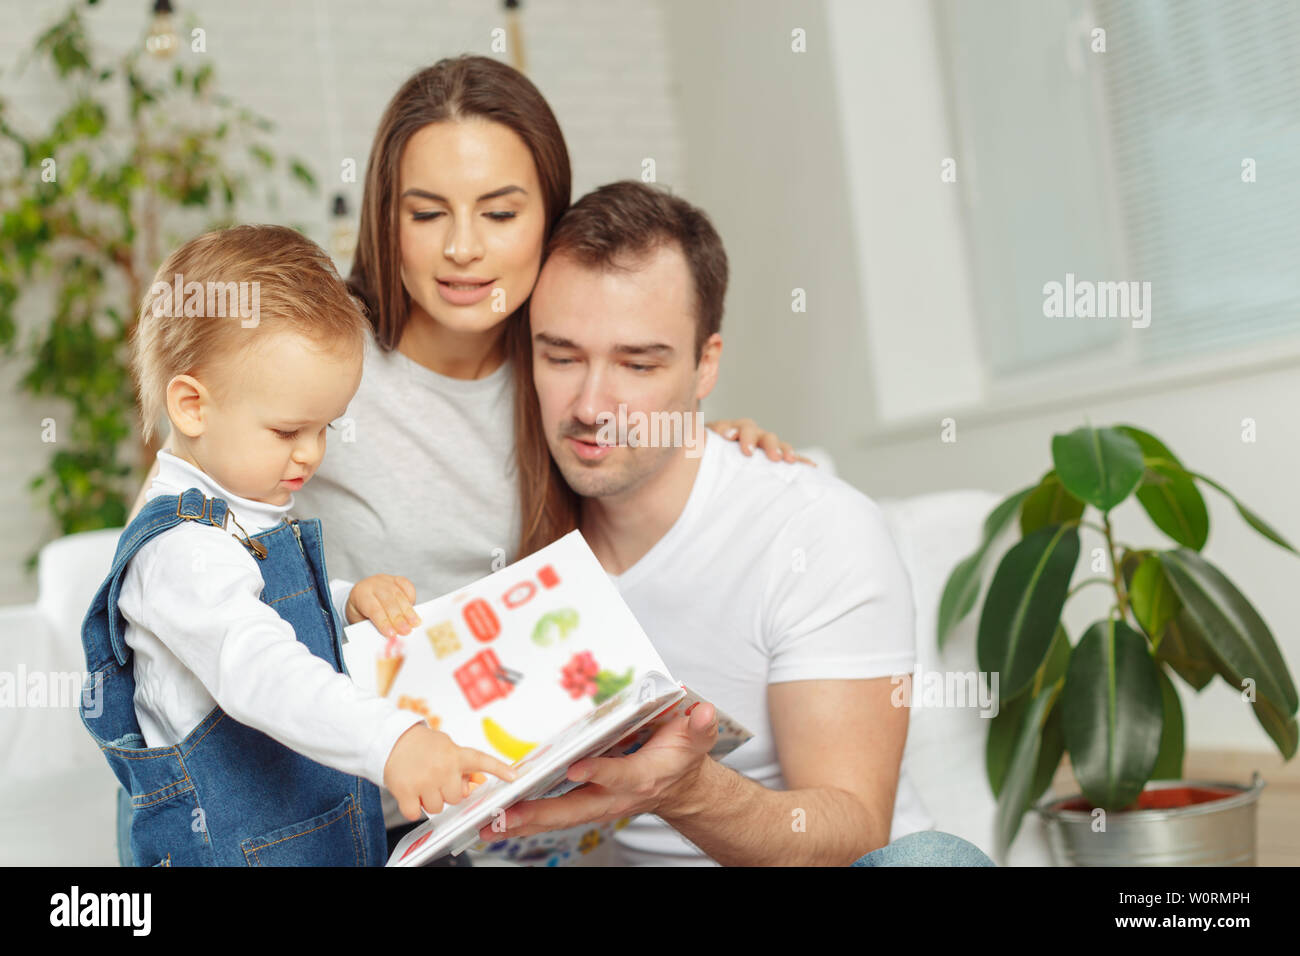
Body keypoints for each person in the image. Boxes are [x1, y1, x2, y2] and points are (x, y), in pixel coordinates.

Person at [126, 55, 801, 858]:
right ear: (387, 217)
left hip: (514, 806)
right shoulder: (314, 359)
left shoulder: (563, 370)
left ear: (551, 219)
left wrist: (702, 440)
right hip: (344, 811)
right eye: (426, 213)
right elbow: (183, 535)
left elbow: (645, 444)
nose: (462, 250)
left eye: (501, 213)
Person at [475, 181, 995, 866]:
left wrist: (686, 790)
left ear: (705, 365)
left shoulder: (813, 529)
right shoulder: (521, 549)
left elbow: (854, 826)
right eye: (562, 357)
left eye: (637, 363)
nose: (591, 403)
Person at [86, 225, 514, 867]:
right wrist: (391, 741)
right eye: (288, 429)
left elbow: (264, 610)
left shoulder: (240, 510)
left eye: (325, 428)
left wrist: (340, 603)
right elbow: (261, 668)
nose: (311, 453)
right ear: (192, 406)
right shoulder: (179, 549)